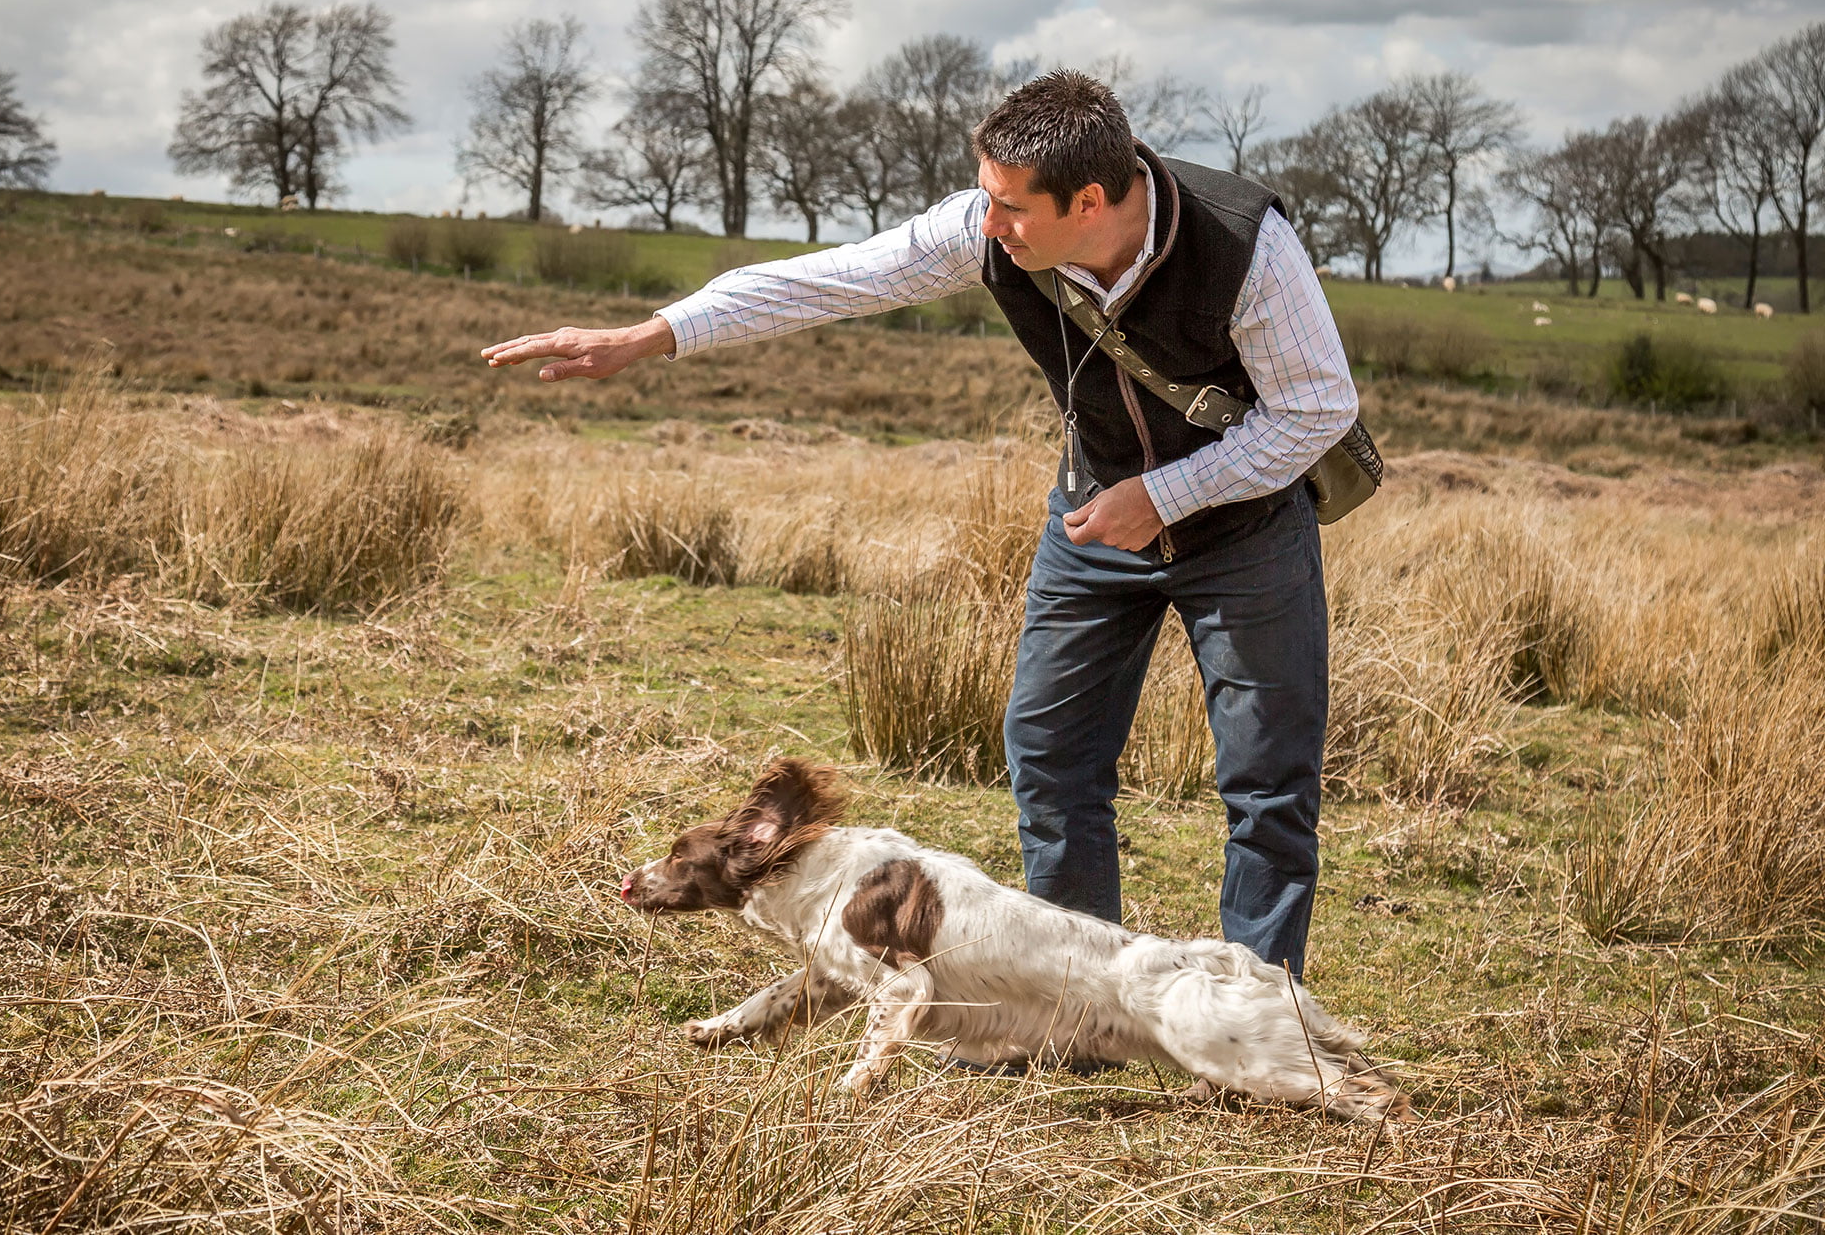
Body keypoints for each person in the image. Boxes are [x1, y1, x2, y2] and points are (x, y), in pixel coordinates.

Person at [482, 70, 1356, 979]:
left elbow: (1315, 411)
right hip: (1094, 519)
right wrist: (650, 335)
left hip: (1244, 530)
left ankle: (1259, 1020)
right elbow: (833, 280)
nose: (988, 224)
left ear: (1089, 200)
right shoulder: (982, 229)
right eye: (986, 197)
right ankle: (1080, 1004)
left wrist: (1166, 498)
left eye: (1010, 207)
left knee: (1266, 790)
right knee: (1050, 760)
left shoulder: (1248, 246)